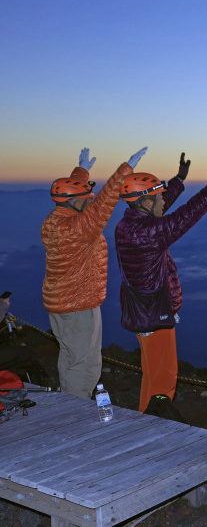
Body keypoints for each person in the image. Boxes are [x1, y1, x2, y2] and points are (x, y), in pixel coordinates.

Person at [115, 153, 207, 412]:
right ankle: (156, 433)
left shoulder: (130, 224)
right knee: (164, 378)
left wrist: (179, 180)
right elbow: (187, 215)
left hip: (141, 311)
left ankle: (143, 420)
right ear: (146, 201)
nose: (163, 200)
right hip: (154, 315)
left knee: (152, 373)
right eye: (159, 197)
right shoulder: (147, 233)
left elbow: (160, 208)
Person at [41, 147, 146, 399]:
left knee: (70, 356)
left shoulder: (56, 219)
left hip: (62, 302)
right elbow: (102, 205)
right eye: (86, 197)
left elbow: (74, 194)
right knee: (86, 364)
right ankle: (76, 412)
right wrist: (125, 170)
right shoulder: (77, 228)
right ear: (77, 202)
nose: (90, 200)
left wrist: (81, 171)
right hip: (78, 306)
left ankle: (68, 402)